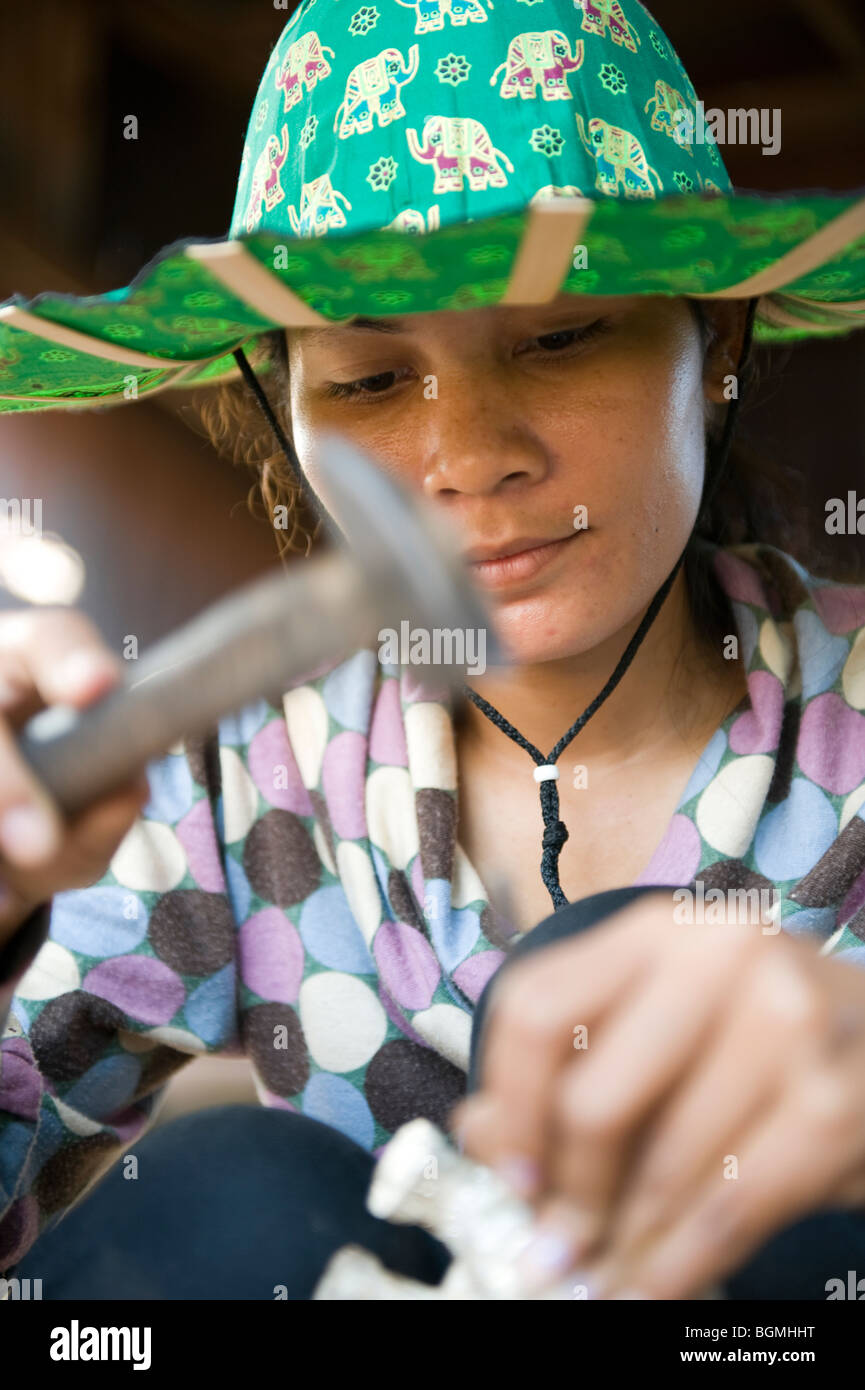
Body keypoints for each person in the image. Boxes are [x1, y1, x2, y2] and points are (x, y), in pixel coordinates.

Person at [2, 0, 865, 1300]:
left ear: (716, 345)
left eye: (562, 336)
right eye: (364, 381)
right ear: (279, 409)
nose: (468, 457)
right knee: (229, 1192)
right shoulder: (227, 779)